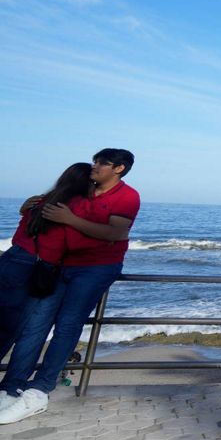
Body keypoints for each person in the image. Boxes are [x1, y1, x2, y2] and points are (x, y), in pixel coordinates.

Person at [0, 149, 140, 425]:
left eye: (102, 163)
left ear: (119, 168)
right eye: (95, 161)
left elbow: (116, 233)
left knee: (67, 324)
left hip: (94, 269)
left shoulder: (127, 196)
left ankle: (39, 390)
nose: (95, 166)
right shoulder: (82, 192)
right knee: (35, 325)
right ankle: (12, 386)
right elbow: (45, 217)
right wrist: (31, 207)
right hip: (59, 266)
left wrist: (69, 220)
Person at [0, 163, 93, 361]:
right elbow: (74, 244)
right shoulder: (78, 207)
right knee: (10, 326)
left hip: (11, 258)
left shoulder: (40, 200)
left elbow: (18, 236)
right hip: (36, 266)